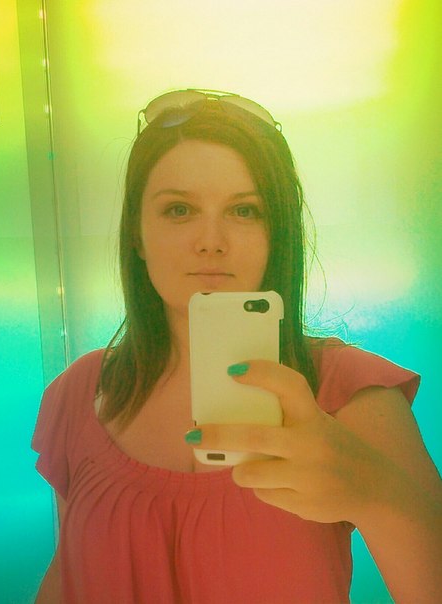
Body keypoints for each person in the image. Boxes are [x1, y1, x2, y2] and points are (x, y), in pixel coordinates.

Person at [32, 89, 442, 603]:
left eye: (245, 210)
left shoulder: (351, 394)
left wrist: (376, 494)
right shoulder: (79, 394)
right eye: (179, 209)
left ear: (278, 233)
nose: (211, 240)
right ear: (136, 234)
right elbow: (67, 574)